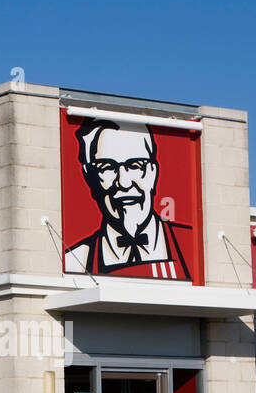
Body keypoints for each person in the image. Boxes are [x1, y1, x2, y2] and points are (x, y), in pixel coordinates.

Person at [64, 119, 192, 279]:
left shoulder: (190, 246)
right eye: (107, 167)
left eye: (136, 165)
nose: (123, 183)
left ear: (153, 172)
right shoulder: (76, 261)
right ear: (89, 177)